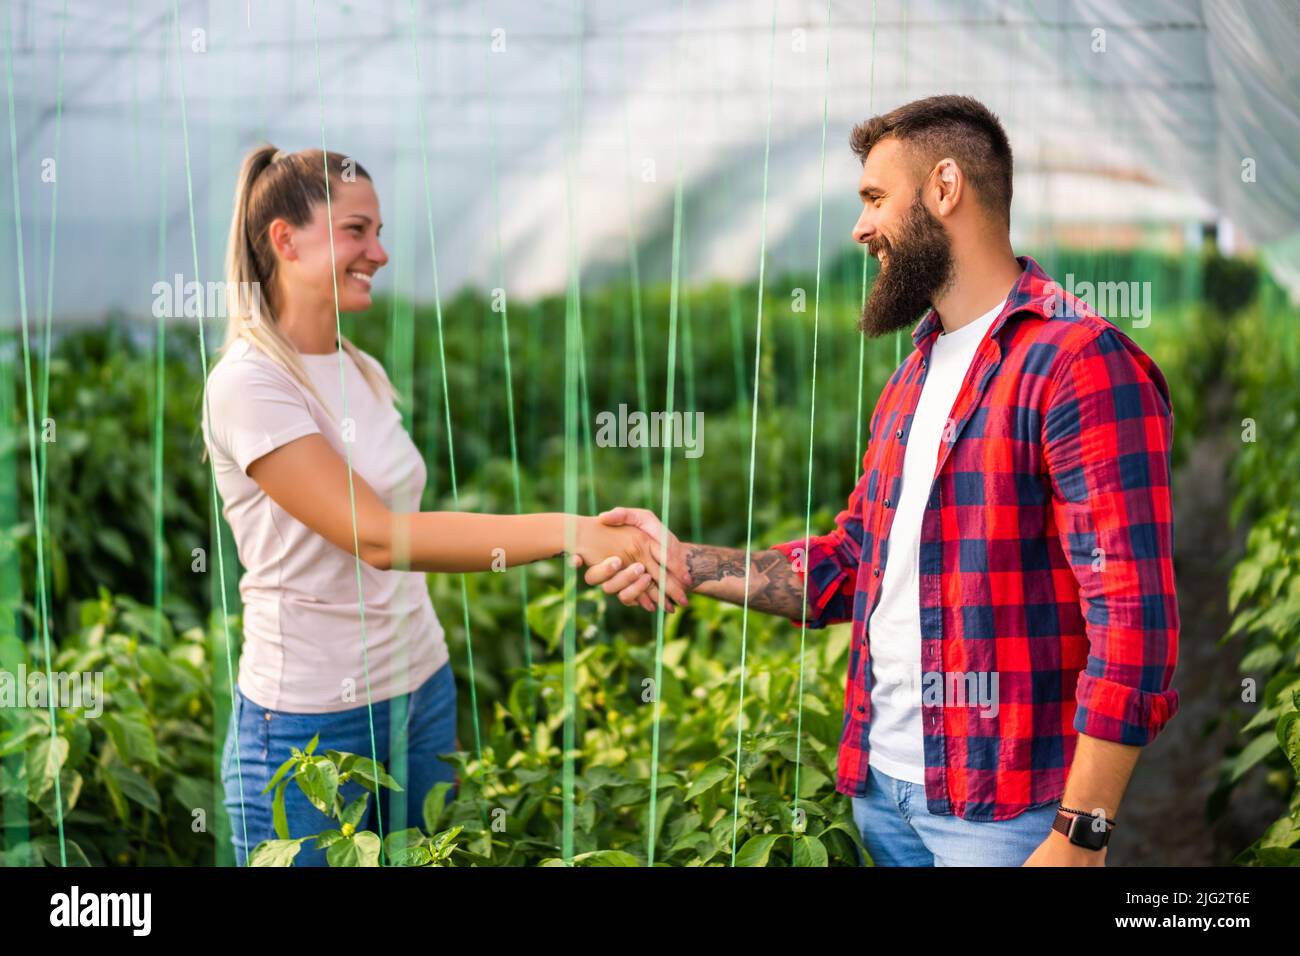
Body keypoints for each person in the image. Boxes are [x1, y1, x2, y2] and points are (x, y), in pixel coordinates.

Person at [583, 94, 1180, 867]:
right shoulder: (914, 374)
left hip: (1002, 812)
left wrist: (1081, 834)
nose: (861, 228)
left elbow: (1133, 624)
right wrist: (685, 562)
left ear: (943, 188)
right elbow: (851, 564)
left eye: (873, 198)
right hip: (882, 794)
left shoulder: (1076, 363)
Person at [202, 144, 689, 866]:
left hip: (418, 690)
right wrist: (569, 532)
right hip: (307, 724)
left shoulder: (357, 367)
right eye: (357, 231)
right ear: (284, 238)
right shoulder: (250, 384)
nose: (381, 252)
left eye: (379, 231)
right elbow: (378, 536)